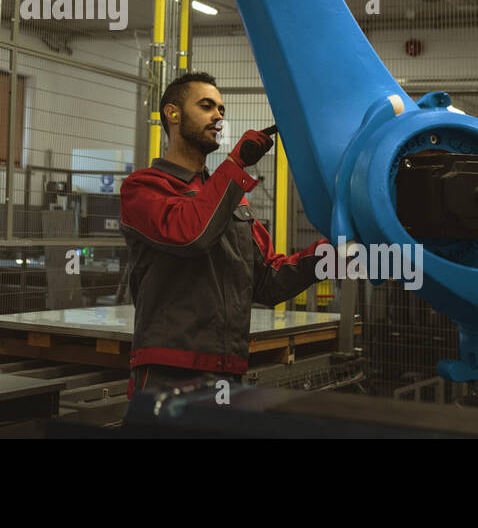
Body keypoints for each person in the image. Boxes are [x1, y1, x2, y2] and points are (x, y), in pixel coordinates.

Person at [119, 71, 327, 397]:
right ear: (173, 113)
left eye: (221, 110)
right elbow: (190, 234)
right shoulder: (143, 188)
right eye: (206, 106)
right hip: (169, 371)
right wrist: (236, 163)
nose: (218, 116)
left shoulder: (230, 195)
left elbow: (267, 280)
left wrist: (328, 257)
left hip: (226, 370)